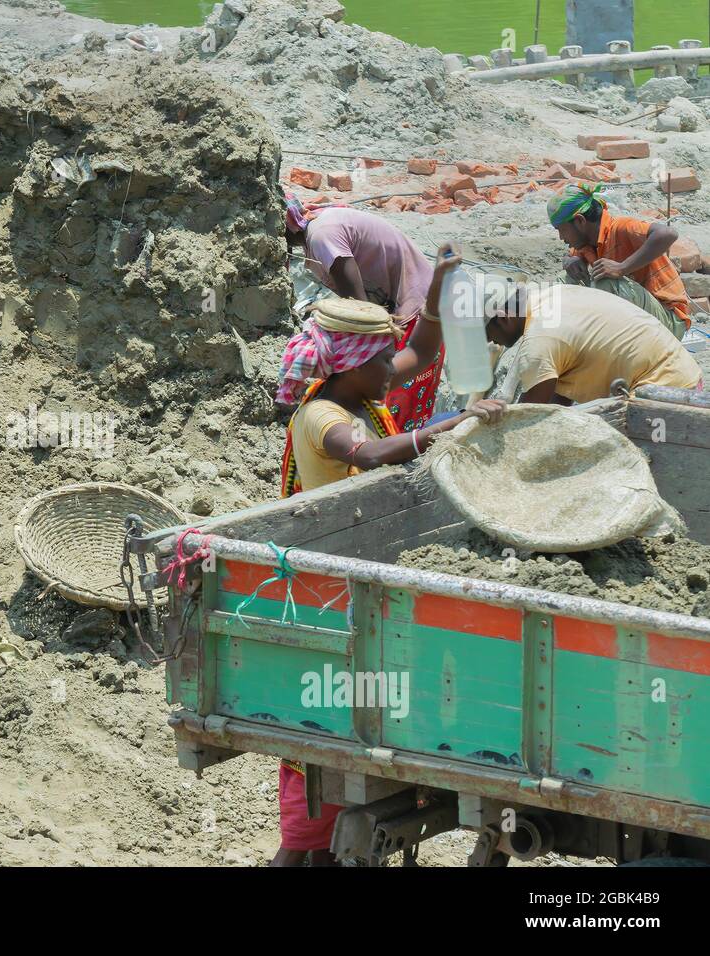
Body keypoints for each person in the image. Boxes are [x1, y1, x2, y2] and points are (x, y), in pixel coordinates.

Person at [270, 245, 506, 866]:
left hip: (360, 565)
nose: (391, 369)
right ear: (351, 366)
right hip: (329, 578)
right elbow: (370, 457)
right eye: (379, 359)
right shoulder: (323, 417)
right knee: (307, 803)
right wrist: (452, 422)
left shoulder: (361, 397)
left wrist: (438, 290)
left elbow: (422, 352)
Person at [284, 197, 442, 431]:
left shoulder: (321, 235)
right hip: (407, 310)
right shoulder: (318, 231)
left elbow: (359, 307)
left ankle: (392, 456)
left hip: (415, 309)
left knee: (390, 399)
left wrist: (347, 360)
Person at [483, 278, 703, 406]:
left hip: (663, 399)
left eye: (487, 333)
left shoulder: (538, 342)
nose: (491, 341)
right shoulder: (554, 294)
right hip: (686, 377)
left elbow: (529, 415)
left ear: (503, 317)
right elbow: (558, 399)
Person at [549, 183, 691, 339]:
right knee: (564, 280)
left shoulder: (621, 227)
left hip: (668, 322)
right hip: (642, 320)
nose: (561, 238)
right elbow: (572, 259)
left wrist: (623, 267)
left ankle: (602, 345)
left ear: (580, 221)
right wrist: (570, 261)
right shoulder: (587, 243)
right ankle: (558, 338)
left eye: (561, 230)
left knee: (606, 284)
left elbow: (667, 233)